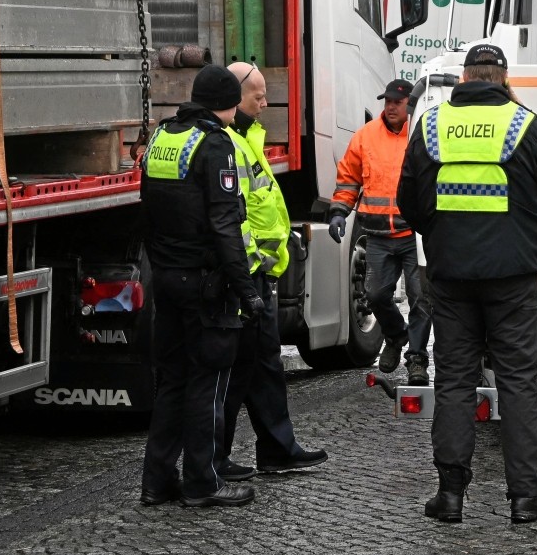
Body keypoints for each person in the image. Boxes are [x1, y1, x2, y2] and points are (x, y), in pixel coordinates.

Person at [398, 43, 537, 524]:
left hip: (450, 275)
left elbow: (408, 198)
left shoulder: (430, 123)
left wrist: (440, 233)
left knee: (454, 380)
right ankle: (525, 498)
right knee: (518, 382)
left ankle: (449, 496)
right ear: (503, 78)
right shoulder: (523, 122)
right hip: (511, 277)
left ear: (464, 77)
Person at [139, 65, 262, 508]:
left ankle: (156, 481)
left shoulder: (163, 137)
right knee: (207, 382)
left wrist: (161, 266)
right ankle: (202, 482)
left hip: (167, 278)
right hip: (205, 283)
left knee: (172, 380)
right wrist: (247, 290)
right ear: (227, 103)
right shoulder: (215, 144)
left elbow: (147, 210)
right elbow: (225, 224)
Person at [214, 62, 328, 481]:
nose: (265, 104)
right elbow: (234, 215)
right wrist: (250, 271)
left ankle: (278, 449)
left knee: (264, 365)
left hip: (256, 274)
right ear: (235, 96)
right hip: (245, 276)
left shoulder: (246, 137)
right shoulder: (228, 142)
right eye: (258, 96)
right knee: (238, 369)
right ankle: (216, 459)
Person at [328, 78, 432, 386]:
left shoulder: (421, 135)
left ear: (410, 104)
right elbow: (349, 178)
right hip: (378, 235)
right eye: (387, 101)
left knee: (420, 299)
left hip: (415, 236)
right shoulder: (366, 136)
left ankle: (417, 359)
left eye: (397, 102)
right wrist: (339, 211)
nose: (390, 107)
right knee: (375, 295)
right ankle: (396, 336)